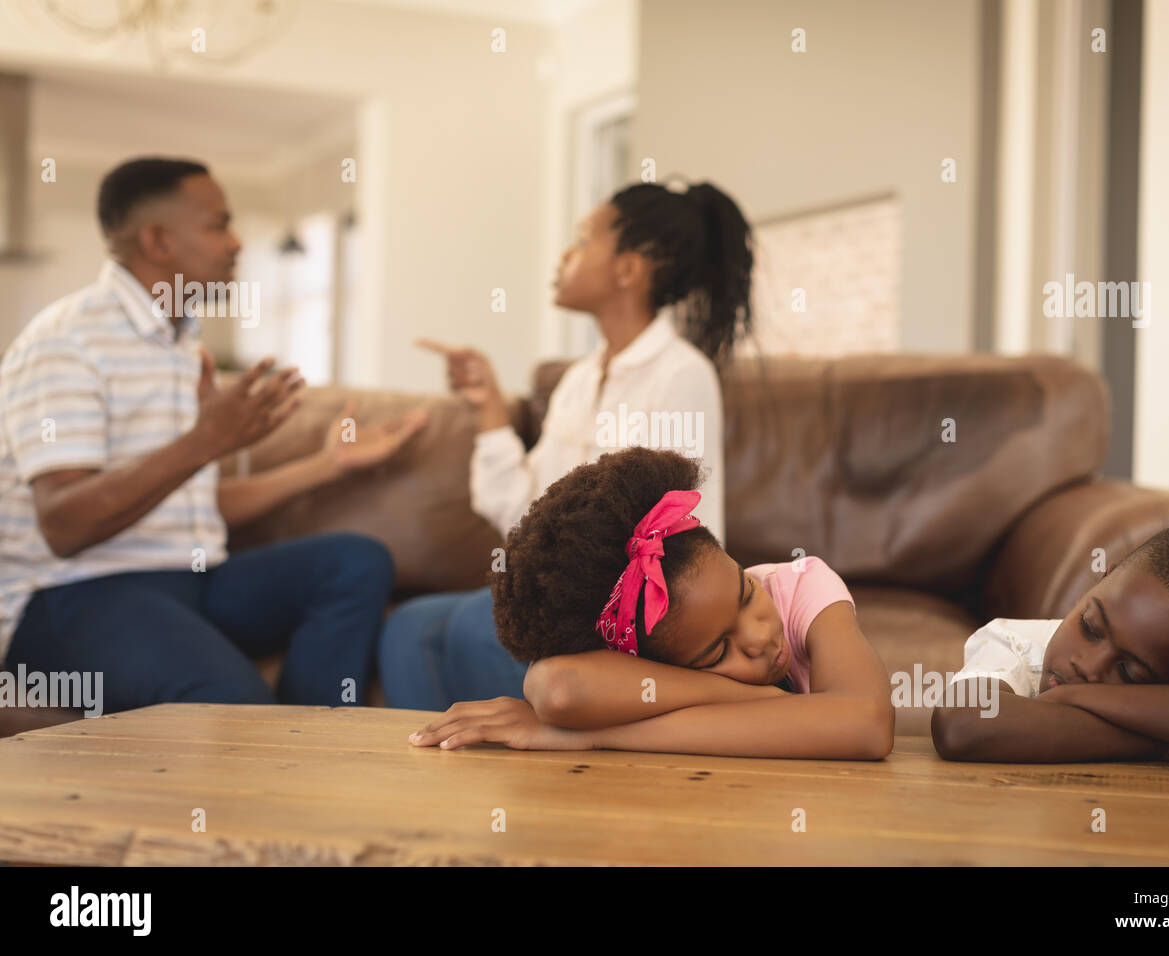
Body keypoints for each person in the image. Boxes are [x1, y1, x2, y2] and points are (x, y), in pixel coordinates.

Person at [0, 157, 427, 731]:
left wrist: (327, 465)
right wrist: (204, 441)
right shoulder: (67, 341)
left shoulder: (178, 341)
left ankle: (318, 745)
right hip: (69, 597)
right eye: (218, 224)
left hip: (189, 578)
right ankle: (280, 761)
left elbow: (187, 503)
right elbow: (63, 526)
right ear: (158, 241)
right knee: (233, 709)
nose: (236, 243)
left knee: (354, 561)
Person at [380, 180, 754, 710]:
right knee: (408, 628)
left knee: (468, 623)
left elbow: (687, 531)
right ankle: (439, 773)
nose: (563, 256)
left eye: (582, 241)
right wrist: (489, 403)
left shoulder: (680, 375)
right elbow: (521, 511)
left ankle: (550, 763)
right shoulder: (579, 380)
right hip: (562, 598)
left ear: (629, 269)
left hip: (626, 613)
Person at [407, 447, 894, 759]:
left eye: (745, 596)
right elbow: (556, 689)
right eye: (717, 653)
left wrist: (584, 736)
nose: (760, 637)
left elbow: (868, 724)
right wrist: (762, 699)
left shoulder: (801, 588)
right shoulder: (646, 661)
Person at [930, 525, 1169, 771]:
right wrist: (1160, 742)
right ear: (1103, 580)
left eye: (1129, 672)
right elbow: (963, 726)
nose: (1087, 667)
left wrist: (1078, 699)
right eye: (1090, 627)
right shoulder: (1014, 642)